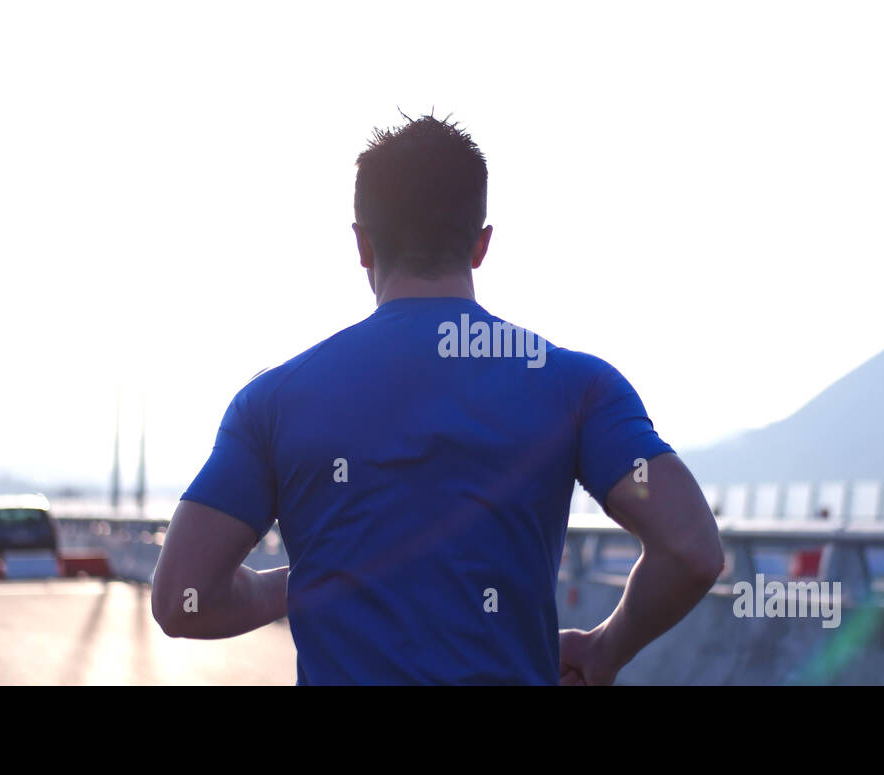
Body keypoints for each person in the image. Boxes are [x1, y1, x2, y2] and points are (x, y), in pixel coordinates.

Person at [151, 113, 723, 685]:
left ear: (362, 244)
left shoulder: (273, 403)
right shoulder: (578, 388)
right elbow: (690, 549)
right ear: (480, 244)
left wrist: (322, 573)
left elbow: (183, 598)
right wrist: (604, 649)